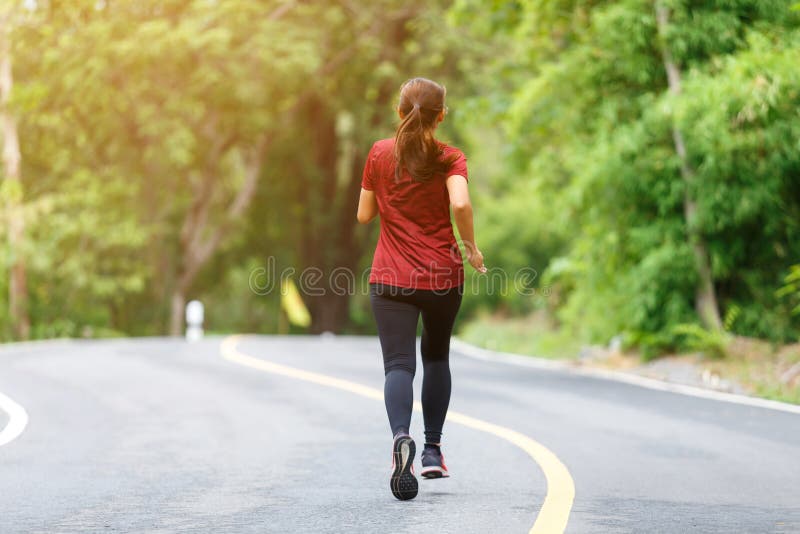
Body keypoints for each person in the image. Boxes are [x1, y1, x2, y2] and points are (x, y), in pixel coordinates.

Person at [356, 77, 486, 501]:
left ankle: (400, 437)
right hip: (442, 276)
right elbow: (460, 203)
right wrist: (471, 247)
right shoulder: (450, 157)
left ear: (399, 111)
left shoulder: (379, 153)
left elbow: (363, 215)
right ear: (441, 115)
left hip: (390, 277)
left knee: (398, 365)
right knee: (436, 357)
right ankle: (431, 451)